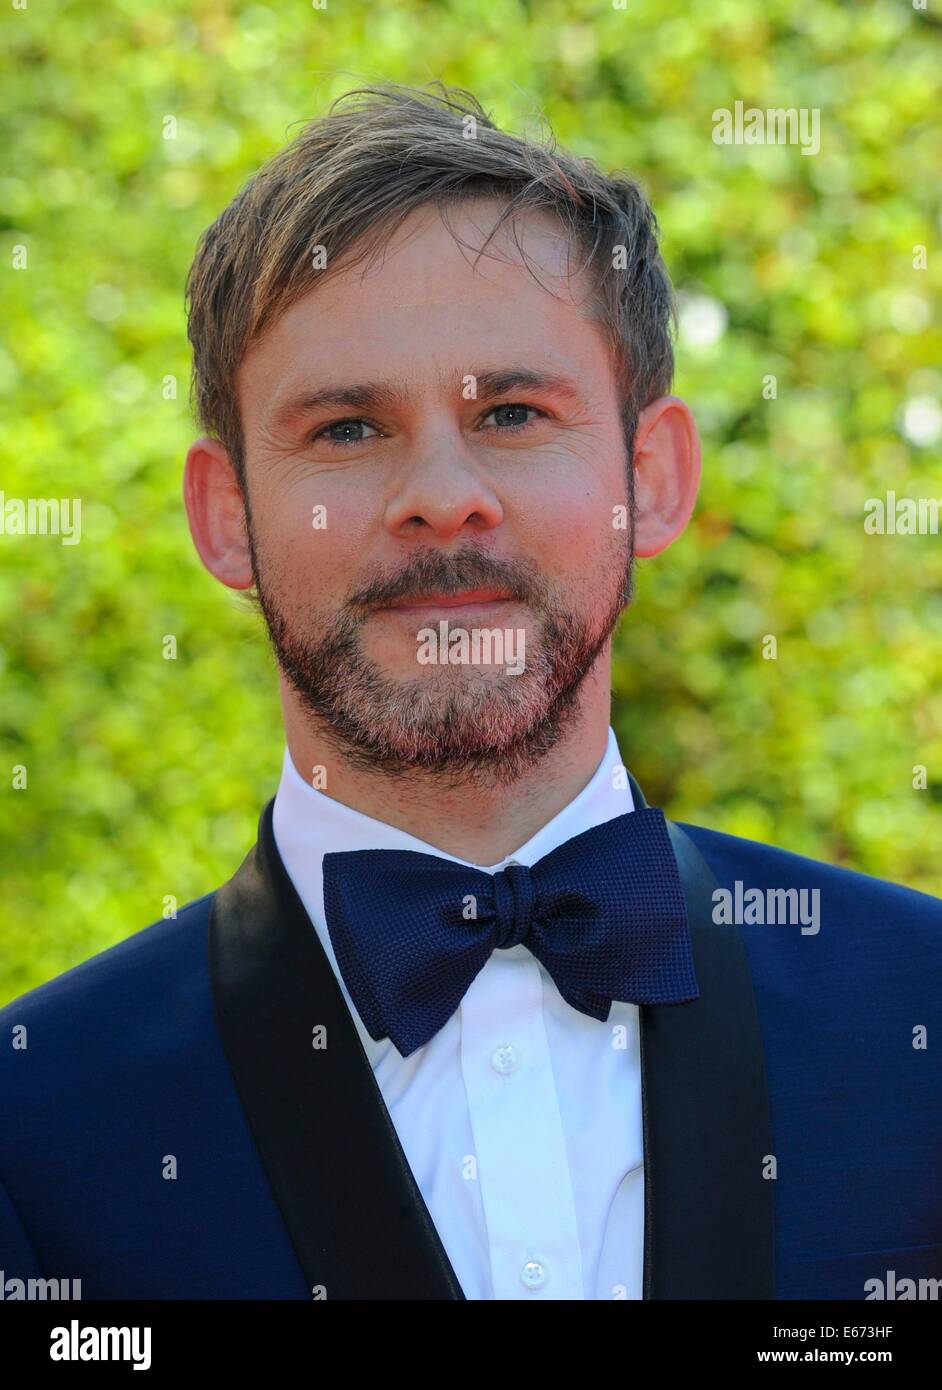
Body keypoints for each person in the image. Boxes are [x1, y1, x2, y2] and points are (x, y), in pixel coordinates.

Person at [1, 80, 940, 1302]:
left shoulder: (920, 1018)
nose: (441, 494)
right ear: (226, 518)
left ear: (650, 478)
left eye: (510, 410)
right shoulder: (33, 1125)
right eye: (346, 429)